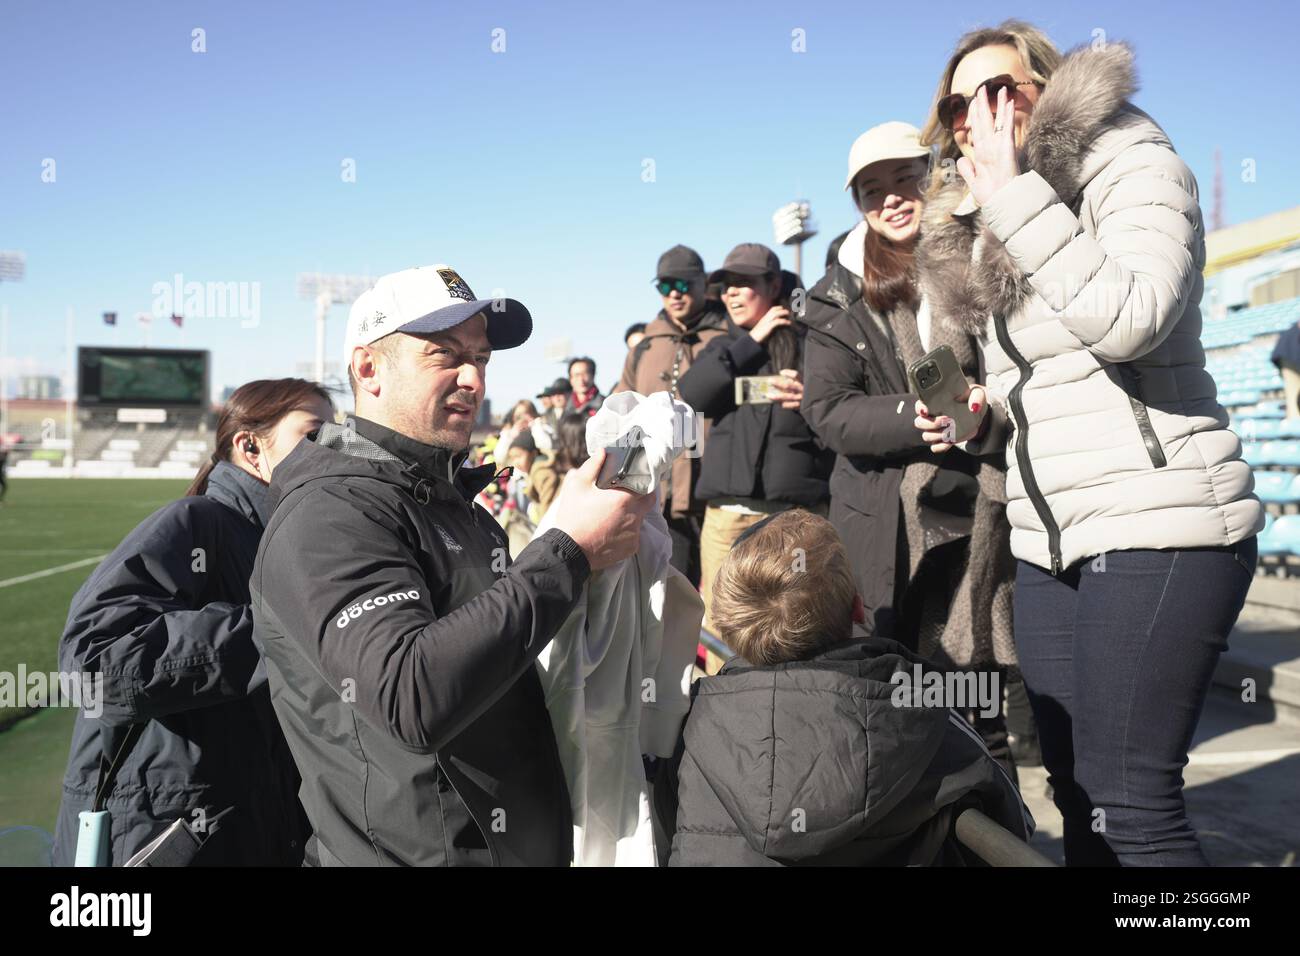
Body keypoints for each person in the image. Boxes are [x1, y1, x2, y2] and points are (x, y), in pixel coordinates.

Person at [913, 21, 1263, 865]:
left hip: (1161, 521)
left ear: (1051, 85)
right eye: (959, 107)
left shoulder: (1134, 160)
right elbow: (1044, 401)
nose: (979, 117)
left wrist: (1010, 200)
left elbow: (1133, 320)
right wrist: (976, 420)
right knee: (1073, 793)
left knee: (1134, 803)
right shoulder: (1000, 223)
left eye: (1001, 91)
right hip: (1048, 540)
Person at [251, 264, 655, 867]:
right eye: (444, 355)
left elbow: (493, 649)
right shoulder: (328, 513)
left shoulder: (447, 498)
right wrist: (567, 550)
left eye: (482, 358)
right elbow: (409, 693)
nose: (473, 378)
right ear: (368, 369)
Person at [798, 122, 1017, 774]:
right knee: (892, 709)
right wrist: (911, 417)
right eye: (872, 190)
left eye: (904, 179)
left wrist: (983, 412)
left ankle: (992, 827)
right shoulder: (835, 292)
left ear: (935, 174)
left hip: (981, 514)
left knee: (976, 706)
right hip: (886, 531)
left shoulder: (984, 251)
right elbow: (828, 410)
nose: (891, 198)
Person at [51, 378, 333, 866]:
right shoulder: (196, 522)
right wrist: (281, 632)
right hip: (161, 839)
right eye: (313, 435)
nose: (330, 452)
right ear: (249, 447)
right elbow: (95, 664)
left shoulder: (284, 543)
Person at [666, 510, 1030, 866]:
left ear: (731, 623)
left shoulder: (688, 725)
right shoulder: (929, 716)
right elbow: (1015, 828)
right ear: (857, 606)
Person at [676, 243, 832, 643]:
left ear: (774, 284)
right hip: (728, 516)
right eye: (725, 285)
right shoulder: (723, 346)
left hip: (794, 517)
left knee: (796, 622)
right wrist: (754, 340)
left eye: (743, 284)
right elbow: (693, 394)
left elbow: (840, 410)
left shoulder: (810, 339)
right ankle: (721, 703)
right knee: (721, 622)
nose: (730, 293)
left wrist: (811, 400)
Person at [614, 244, 729, 586]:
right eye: (665, 287)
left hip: (717, 490)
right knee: (665, 591)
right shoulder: (644, 348)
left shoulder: (729, 336)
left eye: (683, 285)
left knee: (725, 597)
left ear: (703, 283)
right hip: (659, 495)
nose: (674, 294)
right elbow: (623, 416)